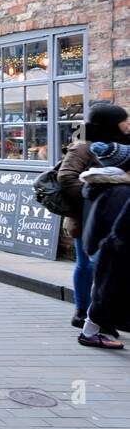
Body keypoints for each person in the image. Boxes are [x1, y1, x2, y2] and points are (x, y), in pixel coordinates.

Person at [58, 103, 130, 327]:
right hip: (87, 216)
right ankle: (82, 311)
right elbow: (66, 177)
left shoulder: (124, 143)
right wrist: (97, 198)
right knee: (88, 264)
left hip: (118, 214)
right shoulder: (82, 146)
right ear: (111, 123)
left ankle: (105, 316)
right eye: (124, 120)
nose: (128, 124)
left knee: (111, 267)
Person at [76, 141, 130, 349]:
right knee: (105, 290)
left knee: (103, 289)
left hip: (102, 245)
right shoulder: (120, 191)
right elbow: (119, 227)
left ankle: (91, 330)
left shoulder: (105, 183)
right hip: (111, 247)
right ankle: (89, 333)